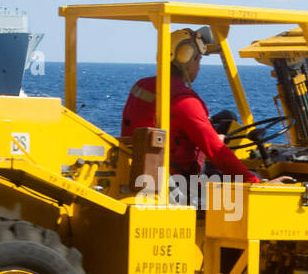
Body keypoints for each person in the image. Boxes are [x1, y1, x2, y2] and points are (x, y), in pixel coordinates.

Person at [121, 27, 289, 188]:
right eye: (198, 60)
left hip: (142, 173)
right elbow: (218, 154)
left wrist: (213, 139)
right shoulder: (185, 101)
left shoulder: (142, 86)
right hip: (178, 185)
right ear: (186, 60)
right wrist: (256, 183)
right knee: (251, 182)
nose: (199, 67)